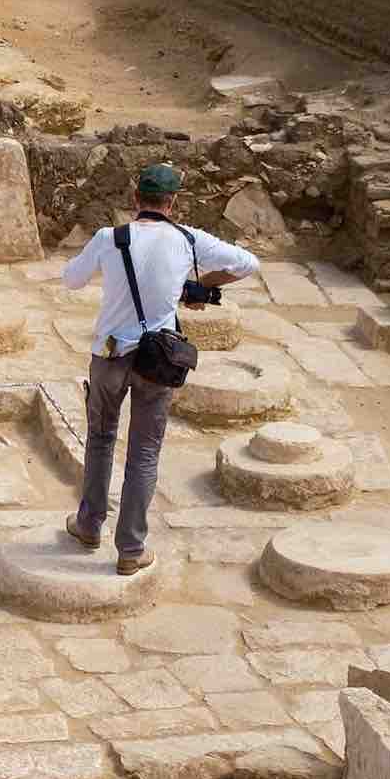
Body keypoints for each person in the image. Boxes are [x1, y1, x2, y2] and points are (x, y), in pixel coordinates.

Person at [58, 164, 260, 574]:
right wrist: (198, 287)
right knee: (145, 452)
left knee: (100, 439)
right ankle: (130, 549)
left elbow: (70, 280)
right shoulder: (188, 239)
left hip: (110, 355)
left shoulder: (109, 238)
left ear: (135, 199)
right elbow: (247, 263)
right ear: (173, 203)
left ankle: (88, 524)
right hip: (157, 360)